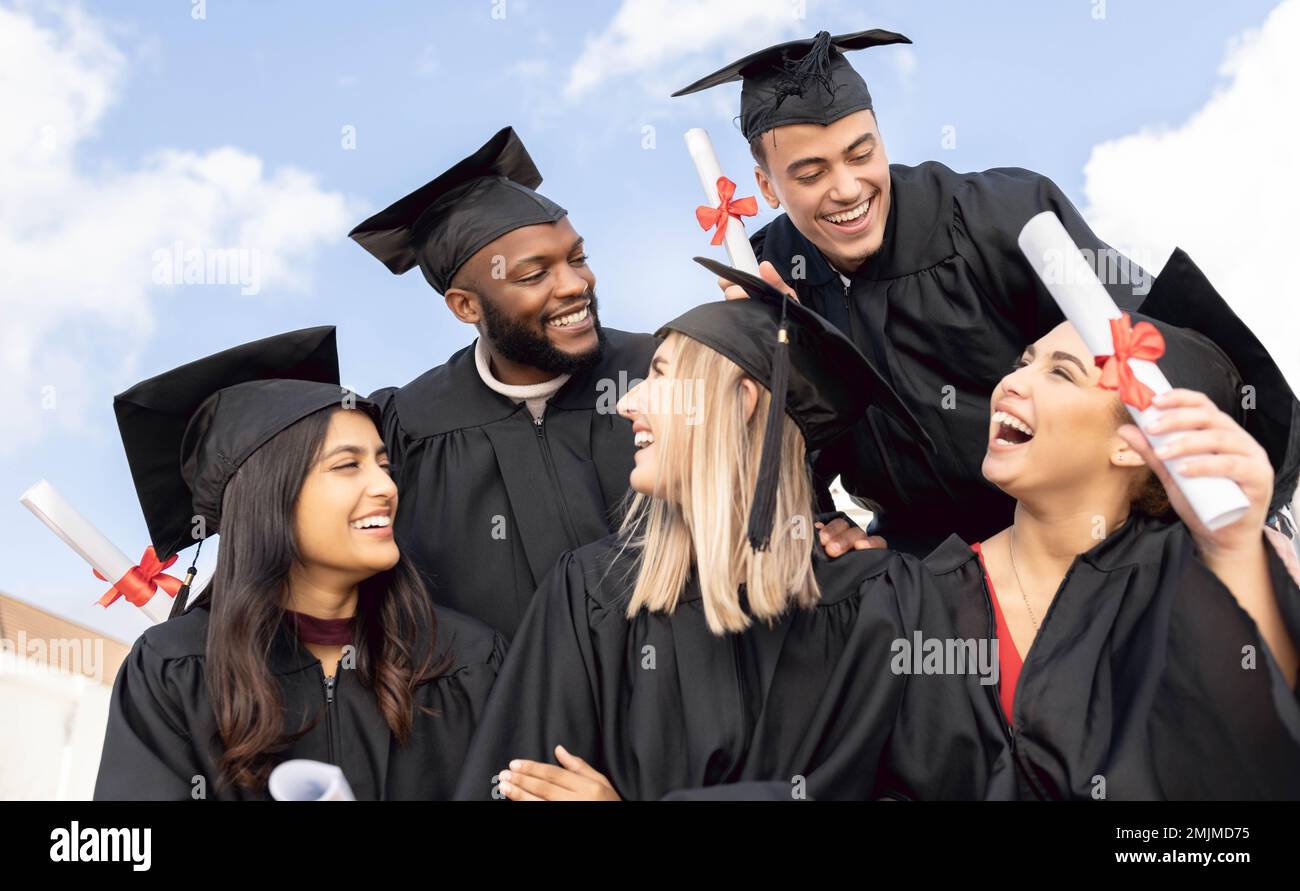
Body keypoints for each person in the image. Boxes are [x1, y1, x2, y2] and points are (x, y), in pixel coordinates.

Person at [454, 262, 1012, 801]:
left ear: (740, 402)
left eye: (662, 376)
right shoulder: (591, 593)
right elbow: (521, 786)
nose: (626, 403)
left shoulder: (888, 601)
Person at [673, 29, 1155, 555]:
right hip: (923, 571)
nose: (848, 189)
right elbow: (783, 469)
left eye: (861, 155)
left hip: (1089, 538)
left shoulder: (1000, 215)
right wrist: (825, 528)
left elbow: (1154, 347)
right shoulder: (771, 283)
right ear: (766, 187)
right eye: (811, 174)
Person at [923, 250, 1300, 799]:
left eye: (1060, 373)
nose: (1012, 382)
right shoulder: (913, 596)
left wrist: (1243, 557)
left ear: (1134, 443)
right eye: (1024, 361)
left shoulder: (1200, 591)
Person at [94, 327, 504, 800]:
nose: (386, 488)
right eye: (348, 466)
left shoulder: (464, 660)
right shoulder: (176, 669)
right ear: (269, 499)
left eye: (383, 465)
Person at [349, 127, 655, 637]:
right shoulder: (409, 427)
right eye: (534, 276)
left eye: (576, 258)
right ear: (465, 307)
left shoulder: (662, 368)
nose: (576, 285)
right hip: (509, 711)